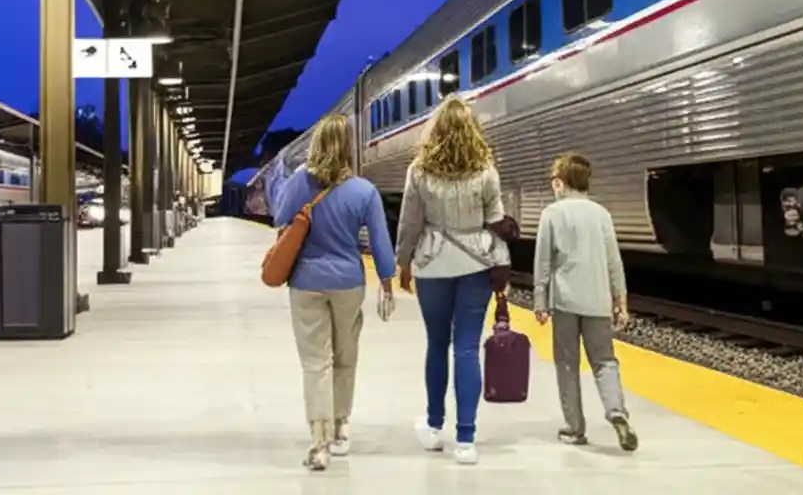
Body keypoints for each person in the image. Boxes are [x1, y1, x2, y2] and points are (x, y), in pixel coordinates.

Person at [272, 114, 396, 471]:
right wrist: (387, 282)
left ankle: (318, 441)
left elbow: (281, 215)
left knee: (315, 363)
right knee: (346, 357)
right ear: (349, 147)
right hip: (348, 283)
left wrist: (295, 182)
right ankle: (341, 428)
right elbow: (380, 242)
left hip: (306, 282)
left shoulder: (300, 182)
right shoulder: (364, 191)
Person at [395, 96, 508, 466]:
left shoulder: (419, 171)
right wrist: (501, 268)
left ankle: (432, 425)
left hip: (432, 264)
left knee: (437, 344)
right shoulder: (486, 170)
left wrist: (404, 263)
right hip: (476, 263)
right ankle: (466, 439)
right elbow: (497, 224)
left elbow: (410, 223)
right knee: (466, 348)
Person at [532, 153, 638, 451]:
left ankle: (575, 428)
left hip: (565, 301)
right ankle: (617, 413)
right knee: (605, 360)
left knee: (567, 363)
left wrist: (540, 300)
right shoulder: (601, 214)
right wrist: (621, 300)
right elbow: (614, 262)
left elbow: (542, 261)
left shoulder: (552, 214)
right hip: (598, 301)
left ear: (559, 183)